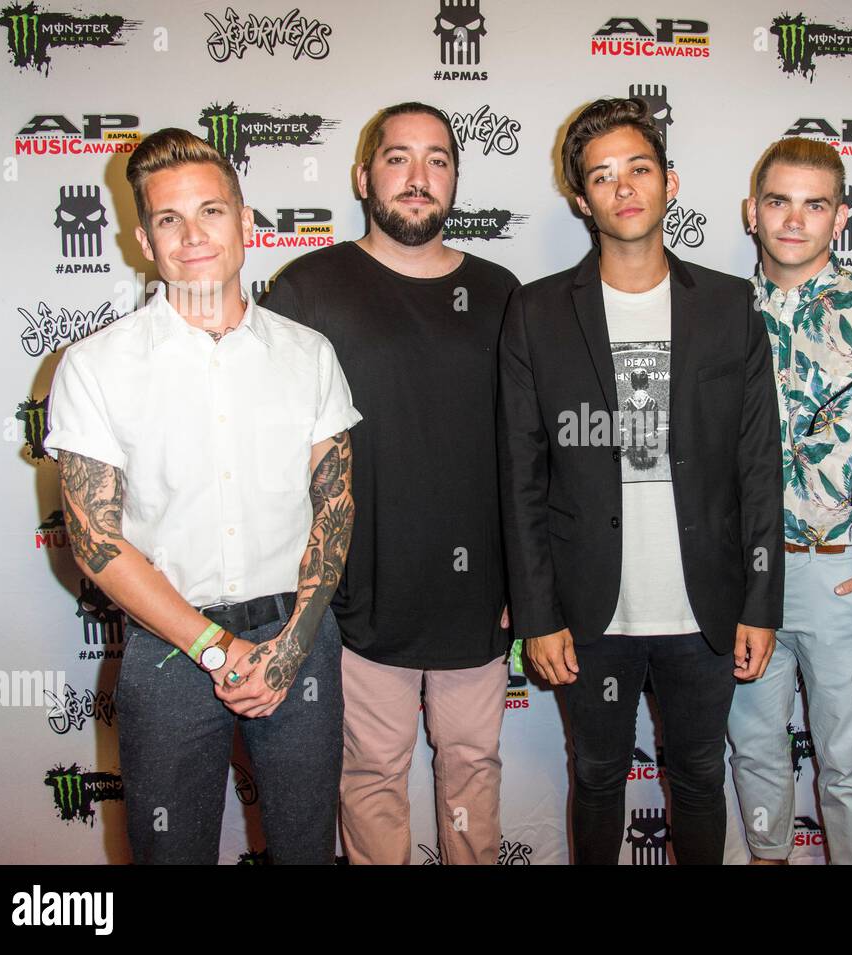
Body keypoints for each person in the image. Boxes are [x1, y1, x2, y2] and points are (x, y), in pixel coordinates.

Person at [44, 128, 361, 864]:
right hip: (167, 648)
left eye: (212, 212)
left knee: (307, 850)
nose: (193, 236)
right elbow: (96, 541)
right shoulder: (95, 367)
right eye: (168, 219)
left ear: (246, 223)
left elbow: (334, 513)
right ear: (142, 240)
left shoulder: (308, 355)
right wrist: (215, 647)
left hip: (300, 638)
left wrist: (289, 649)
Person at [497, 97, 783, 865]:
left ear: (671, 182)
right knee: (595, 776)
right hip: (590, 610)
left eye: (639, 169)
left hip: (705, 605)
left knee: (697, 776)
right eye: (602, 176)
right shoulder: (535, 312)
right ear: (580, 199)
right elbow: (520, 475)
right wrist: (537, 614)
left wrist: (761, 601)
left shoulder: (729, 306)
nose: (623, 188)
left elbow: (758, 465)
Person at [261, 103, 518, 865]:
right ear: (363, 174)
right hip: (357, 594)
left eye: (437, 160)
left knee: (473, 770)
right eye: (398, 158)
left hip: (477, 599)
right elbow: (272, 445)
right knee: (371, 775)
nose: (417, 177)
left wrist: (524, 581)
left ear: (455, 180)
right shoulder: (309, 287)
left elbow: (526, 452)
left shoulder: (503, 293)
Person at [727, 137, 852, 865]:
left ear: (841, 216)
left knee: (850, 760)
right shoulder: (716, 311)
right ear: (753, 211)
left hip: (841, 572)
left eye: (815, 205)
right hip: (743, 578)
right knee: (753, 747)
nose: (794, 220)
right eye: (779, 201)